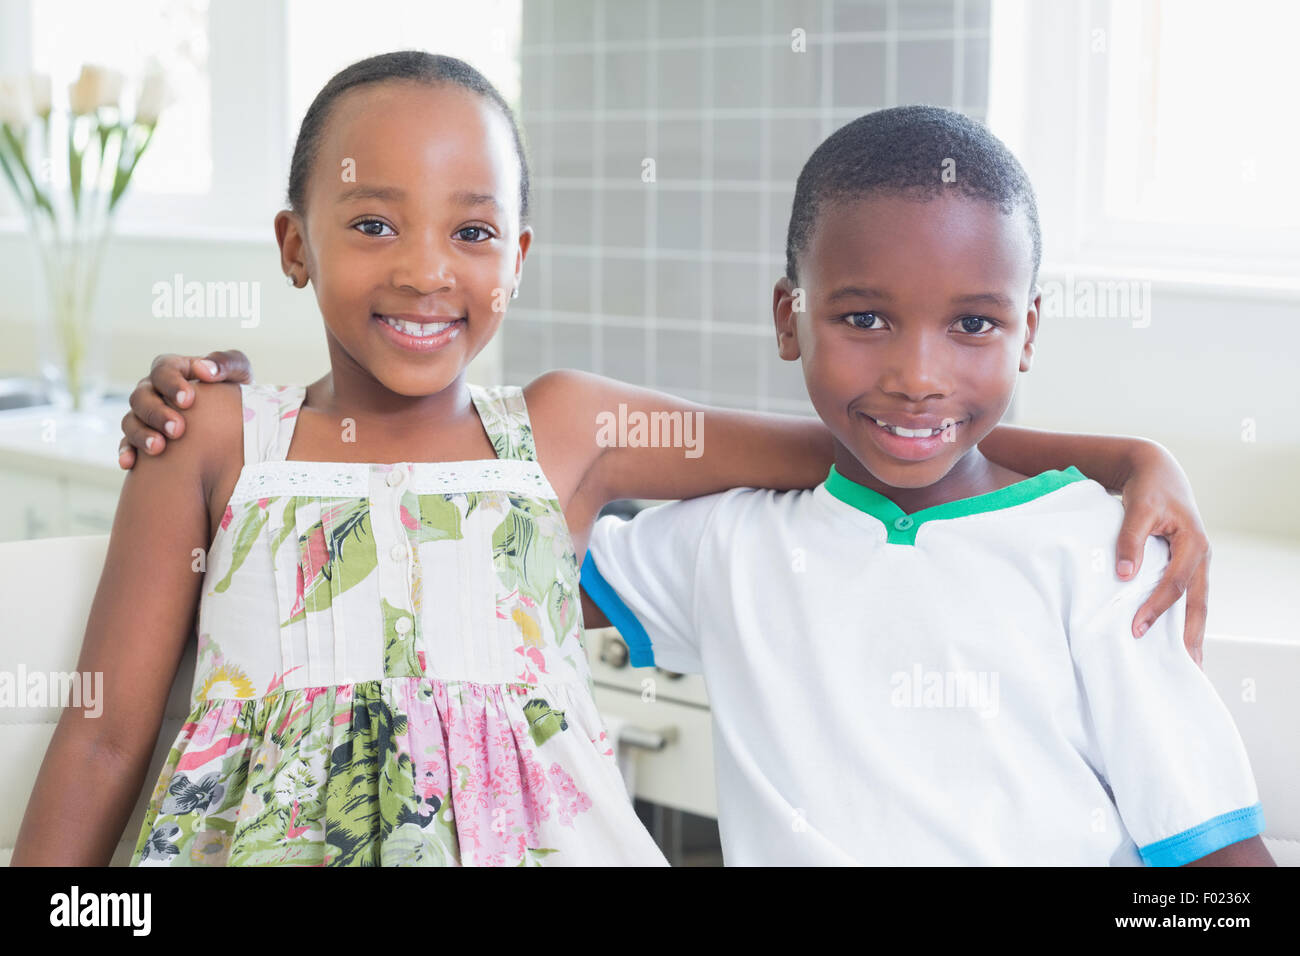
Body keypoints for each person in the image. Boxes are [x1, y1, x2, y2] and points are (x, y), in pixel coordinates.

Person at [85, 52, 1207, 866]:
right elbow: (106, 730)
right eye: (374, 223)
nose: (427, 271)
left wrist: (1118, 456)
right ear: (294, 243)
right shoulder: (216, 435)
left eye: (471, 231)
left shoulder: (569, 428)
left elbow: (871, 438)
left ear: (516, 258)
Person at [578, 106, 1272, 865]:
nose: (918, 379)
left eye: (973, 325)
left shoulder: (1106, 559)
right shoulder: (724, 544)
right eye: (866, 317)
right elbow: (491, 562)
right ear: (790, 319)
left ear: (1028, 333)